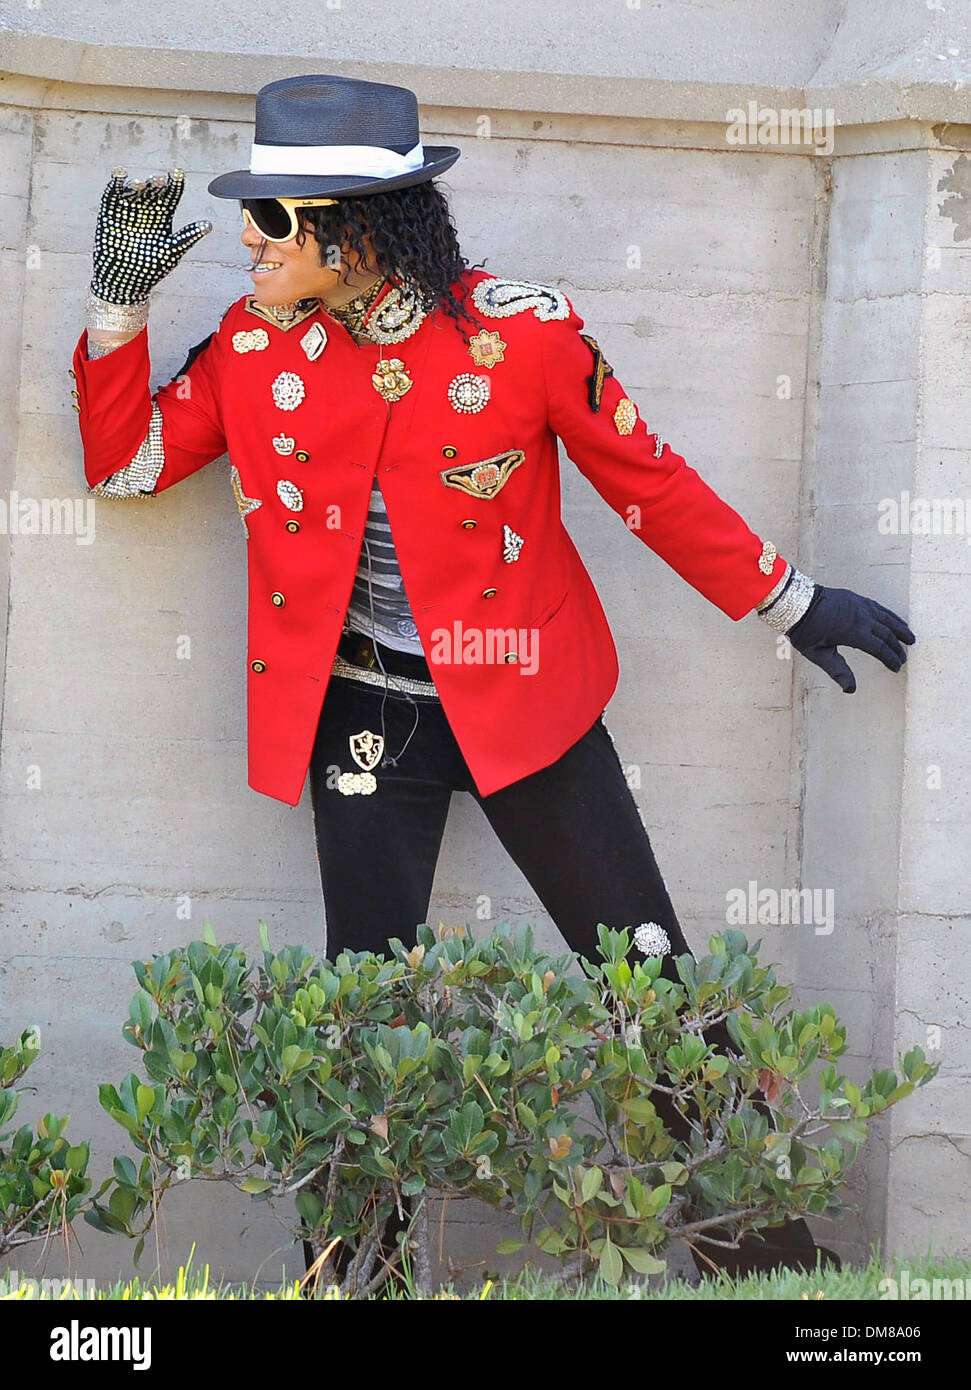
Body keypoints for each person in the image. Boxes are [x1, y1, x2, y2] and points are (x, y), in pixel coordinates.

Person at [71, 74, 914, 1281]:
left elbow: (647, 480)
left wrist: (790, 601)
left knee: (651, 988)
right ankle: (353, 1278)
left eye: (272, 218)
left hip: (529, 706)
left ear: (349, 230)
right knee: (361, 1022)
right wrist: (115, 309)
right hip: (362, 719)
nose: (247, 241)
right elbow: (129, 464)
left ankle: (774, 1274)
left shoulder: (521, 335)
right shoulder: (256, 348)